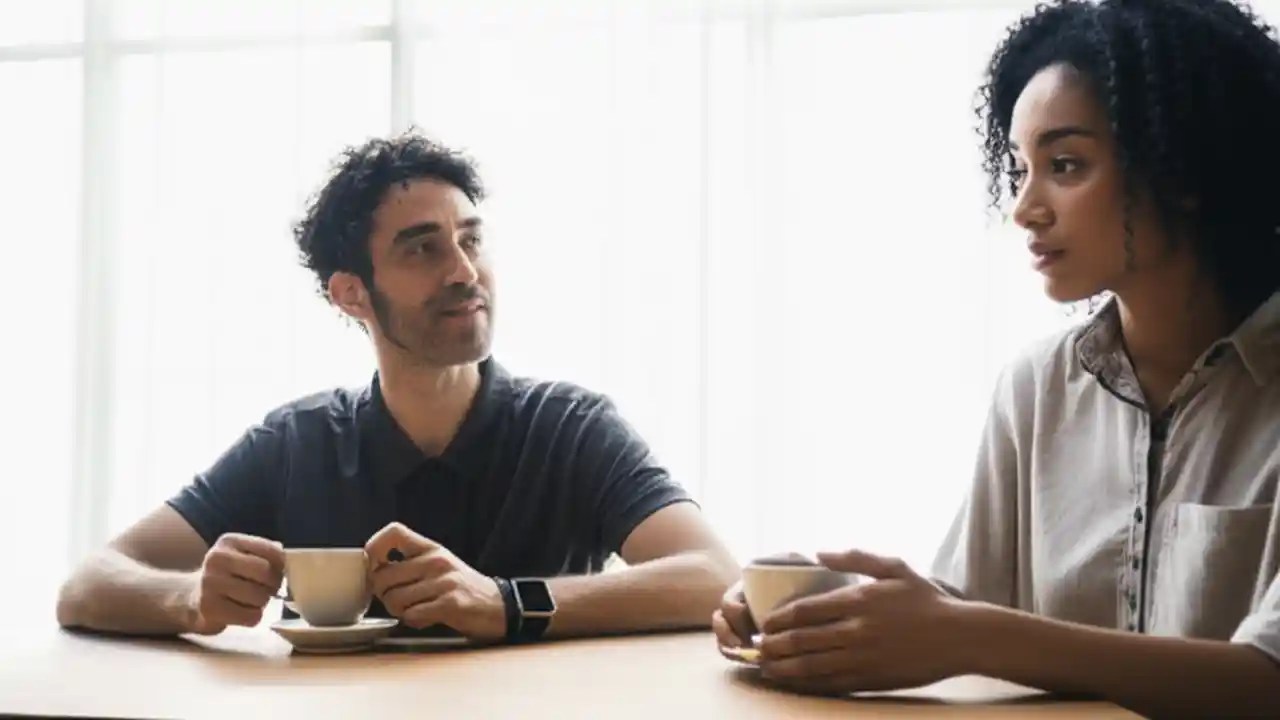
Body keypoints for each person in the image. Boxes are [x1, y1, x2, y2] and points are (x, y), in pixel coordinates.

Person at [713, 1, 1280, 716]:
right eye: (1018, 170)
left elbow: (1267, 678)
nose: (1024, 207)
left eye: (1065, 165)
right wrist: (812, 610)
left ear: (1183, 169)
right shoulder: (1038, 388)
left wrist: (965, 634)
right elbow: (963, 612)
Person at [57, 133, 738, 644]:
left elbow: (712, 573)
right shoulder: (295, 444)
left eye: (470, 240)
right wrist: (188, 601)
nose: (464, 271)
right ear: (351, 294)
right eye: (422, 248)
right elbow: (88, 585)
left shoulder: (570, 426)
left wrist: (506, 603)